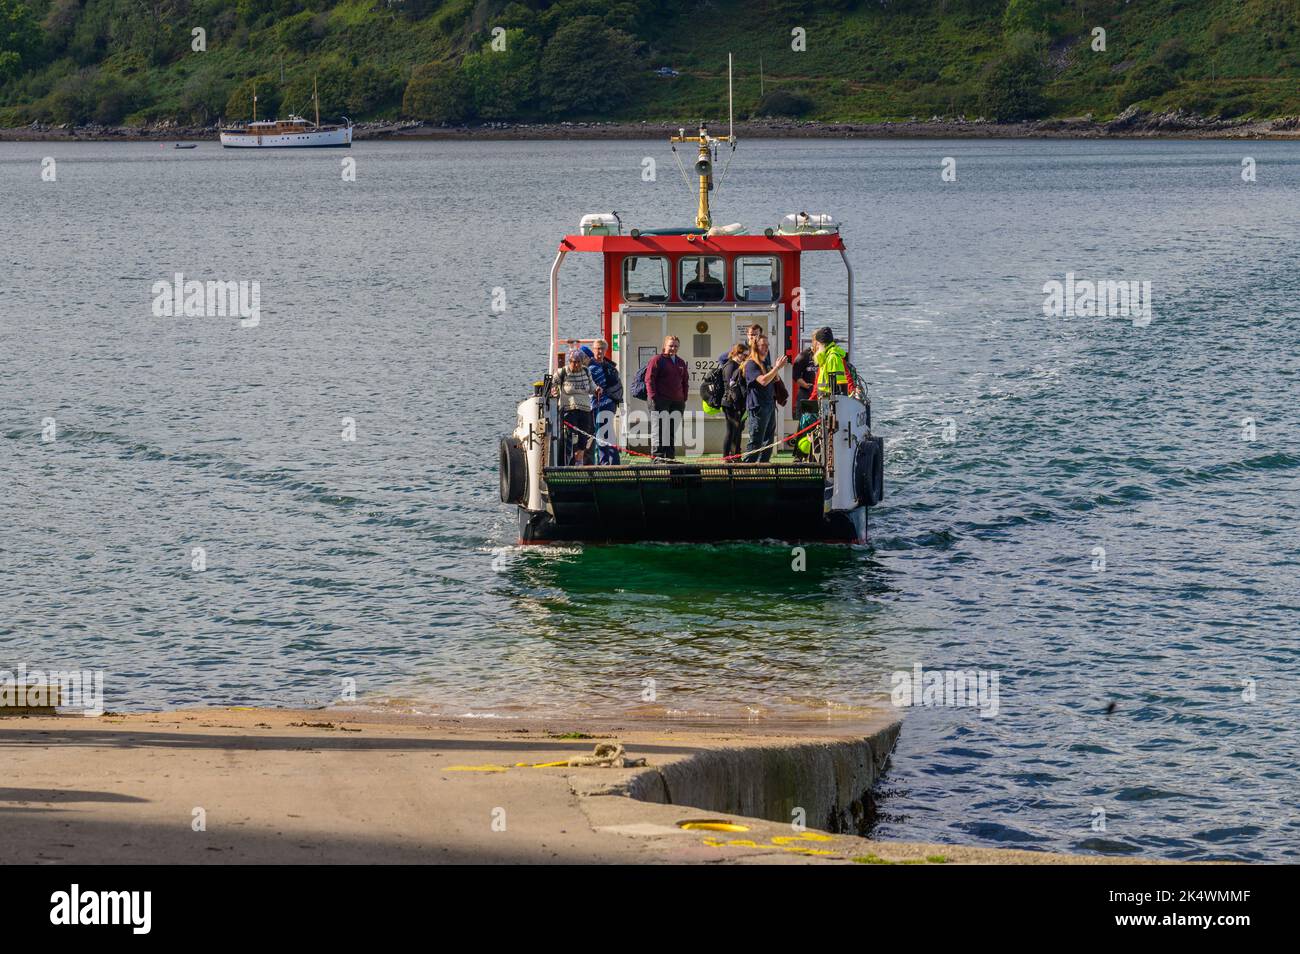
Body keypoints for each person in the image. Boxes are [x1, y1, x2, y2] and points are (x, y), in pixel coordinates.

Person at [551, 349, 601, 465]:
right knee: (569, 436)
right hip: (569, 409)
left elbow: (591, 386)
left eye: (579, 362)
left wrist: (596, 389)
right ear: (570, 361)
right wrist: (553, 391)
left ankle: (579, 460)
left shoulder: (586, 371)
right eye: (574, 362)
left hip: (585, 409)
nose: (577, 364)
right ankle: (568, 462)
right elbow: (552, 383)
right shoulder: (563, 372)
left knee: (584, 436)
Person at [743, 334, 788, 463]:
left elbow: (771, 380)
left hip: (769, 405)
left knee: (768, 440)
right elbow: (762, 381)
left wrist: (776, 375)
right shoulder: (751, 364)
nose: (766, 348)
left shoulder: (764, 363)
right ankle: (745, 468)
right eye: (763, 345)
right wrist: (777, 368)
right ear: (755, 347)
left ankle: (763, 466)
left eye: (767, 345)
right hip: (758, 407)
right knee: (756, 441)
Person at [646, 335, 688, 459]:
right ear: (665, 346)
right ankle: (657, 457)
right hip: (659, 400)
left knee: (671, 431)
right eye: (671, 345)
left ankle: (670, 457)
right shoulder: (657, 360)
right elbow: (649, 379)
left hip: (677, 402)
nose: (673, 348)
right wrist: (653, 396)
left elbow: (685, 381)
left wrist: (683, 397)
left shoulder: (680, 362)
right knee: (658, 430)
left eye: (676, 346)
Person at [587, 339, 623, 465]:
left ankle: (604, 462)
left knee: (602, 434)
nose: (600, 351)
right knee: (608, 433)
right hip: (603, 403)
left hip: (605, 404)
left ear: (606, 350)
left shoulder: (591, 368)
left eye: (602, 349)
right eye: (597, 348)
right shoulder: (607, 366)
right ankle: (614, 461)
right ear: (593, 349)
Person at [719, 343, 749, 459]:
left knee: (738, 431)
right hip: (730, 403)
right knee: (731, 431)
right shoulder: (731, 365)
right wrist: (737, 405)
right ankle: (726, 457)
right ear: (737, 353)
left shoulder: (738, 365)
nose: (746, 357)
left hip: (738, 403)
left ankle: (735, 455)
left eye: (747, 355)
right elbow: (731, 387)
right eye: (744, 355)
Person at [812, 326, 854, 396]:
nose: (817, 347)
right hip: (825, 400)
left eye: (818, 344)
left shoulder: (832, 357)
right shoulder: (825, 358)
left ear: (822, 344)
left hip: (831, 401)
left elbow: (838, 384)